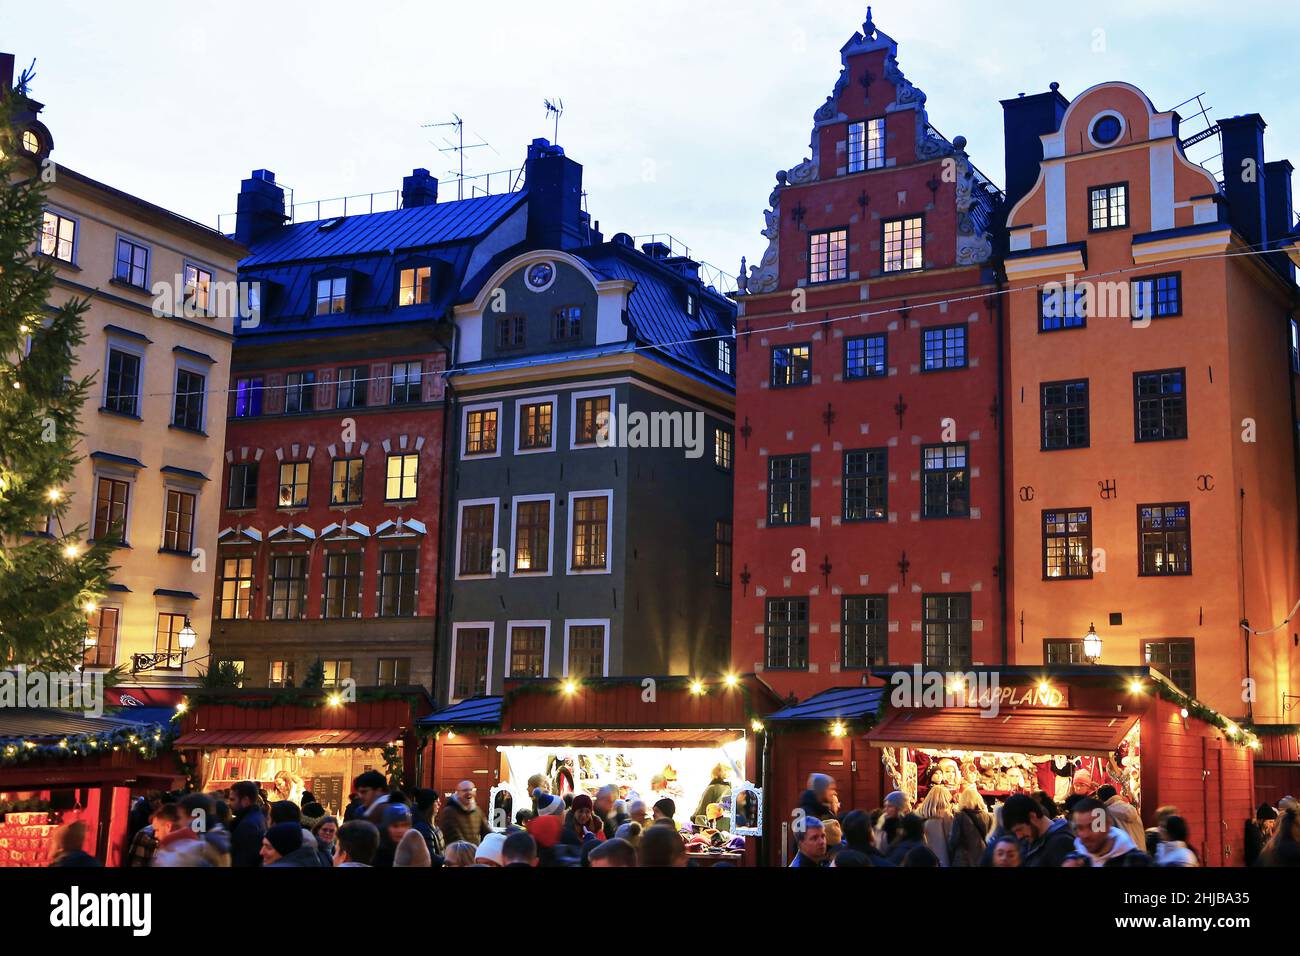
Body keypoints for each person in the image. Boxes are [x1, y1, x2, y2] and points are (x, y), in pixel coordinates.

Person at [1070, 797, 1151, 866]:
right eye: (1080, 828)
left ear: (1108, 825)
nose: (1085, 834)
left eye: (1093, 827)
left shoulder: (1137, 862)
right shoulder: (1074, 861)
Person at [1001, 792, 1075, 868]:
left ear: (1032, 817)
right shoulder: (1033, 840)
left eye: (1019, 829)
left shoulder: (1060, 843)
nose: (1019, 836)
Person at [948, 785, 991, 867]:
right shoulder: (988, 816)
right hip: (982, 858)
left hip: (963, 859)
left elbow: (954, 839)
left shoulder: (959, 816)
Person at [438, 780, 491, 846]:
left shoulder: (477, 811)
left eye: (471, 790)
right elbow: (453, 837)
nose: (469, 792)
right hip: (456, 853)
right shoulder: (449, 812)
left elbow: (487, 832)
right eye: (465, 790)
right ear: (457, 793)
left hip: (473, 853)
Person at [229, 781, 267, 868]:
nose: (229, 803)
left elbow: (243, 860)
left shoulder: (248, 825)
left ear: (245, 800)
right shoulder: (257, 816)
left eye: (232, 799)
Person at [1096, 785, 1146, 851]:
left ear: (1100, 798)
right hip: (1140, 854)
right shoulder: (1131, 808)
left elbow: (1099, 841)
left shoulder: (1104, 814)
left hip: (1123, 857)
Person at [917, 785, 955, 866]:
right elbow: (952, 838)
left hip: (924, 858)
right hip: (942, 859)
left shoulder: (920, 813)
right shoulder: (946, 815)